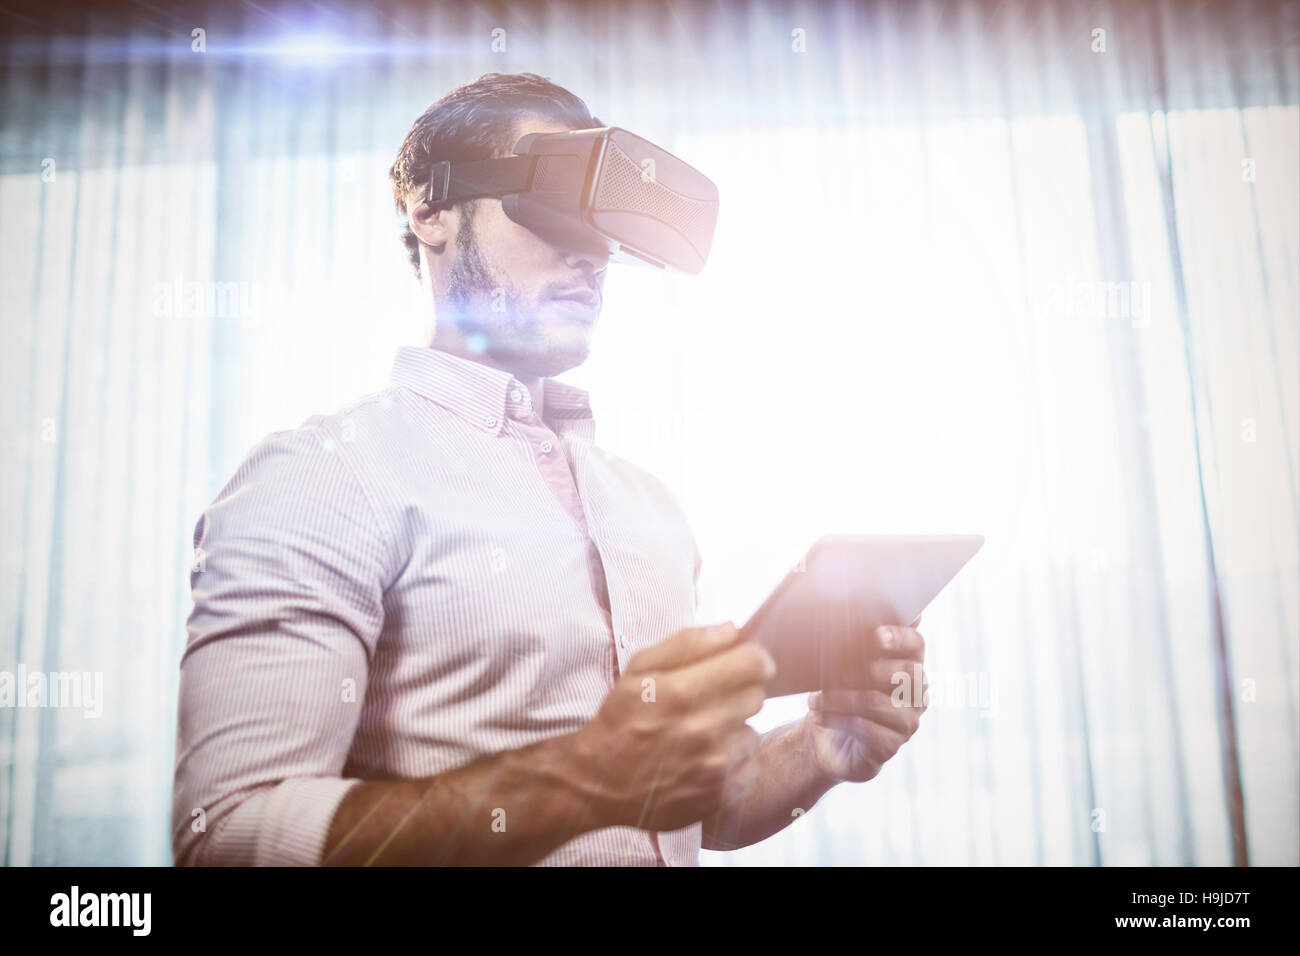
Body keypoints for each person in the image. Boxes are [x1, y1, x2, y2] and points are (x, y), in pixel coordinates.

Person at [171, 72, 928, 867]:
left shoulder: (648, 507)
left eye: (602, 226)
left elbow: (689, 808)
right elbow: (227, 836)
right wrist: (585, 778)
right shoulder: (325, 478)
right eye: (552, 207)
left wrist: (817, 748)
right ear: (429, 209)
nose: (590, 255)